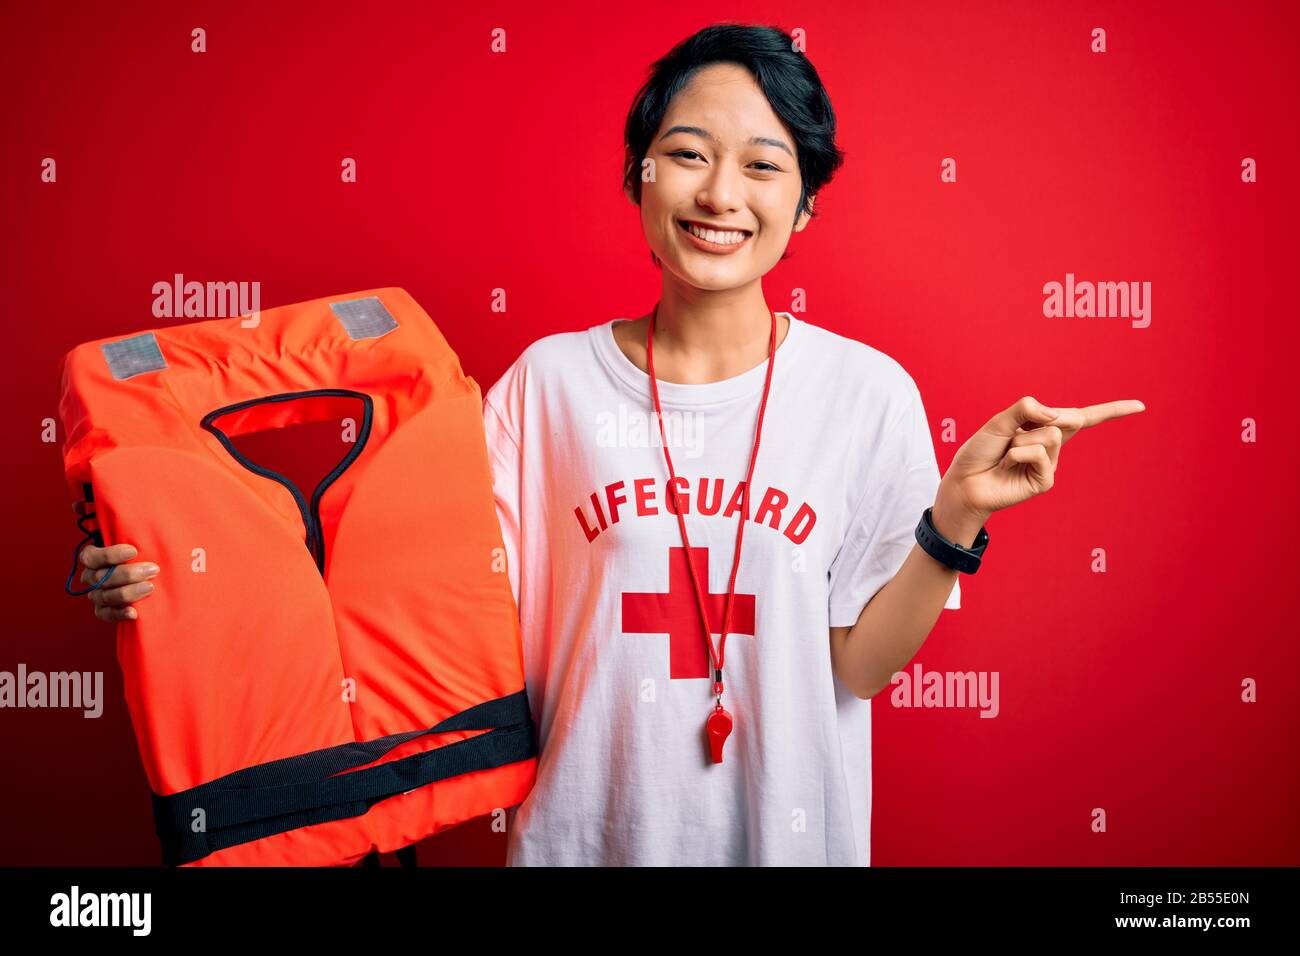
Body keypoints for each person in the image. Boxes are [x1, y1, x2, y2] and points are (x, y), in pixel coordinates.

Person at [71, 23, 1144, 865]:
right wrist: (178, 577)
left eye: (763, 166)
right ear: (637, 174)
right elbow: (404, 600)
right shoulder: (545, 385)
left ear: (805, 204)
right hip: (584, 839)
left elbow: (854, 665)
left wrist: (953, 519)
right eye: (686, 154)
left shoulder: (865, 393)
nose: (720, 194)